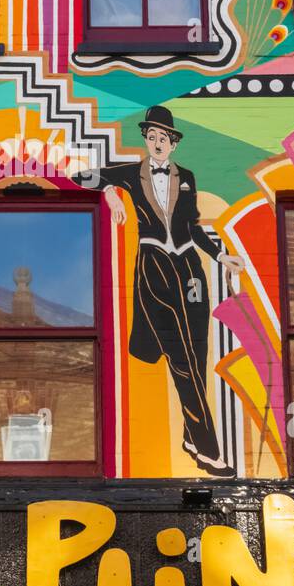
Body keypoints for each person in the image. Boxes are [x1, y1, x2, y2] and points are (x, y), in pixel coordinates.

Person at [80, 105, 244, 475]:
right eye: (151, 137)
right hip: (154, 266)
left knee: (197, 352)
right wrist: (108, 190)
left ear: (173, 143)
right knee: (181, 356)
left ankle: (189, 434)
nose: (156, 143)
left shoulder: (186, 176)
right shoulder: (129, 173)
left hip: (190, 268)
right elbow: (81, 176)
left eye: (162, 138)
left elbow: (194, 227)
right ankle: (207, 448)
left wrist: (220, 257)